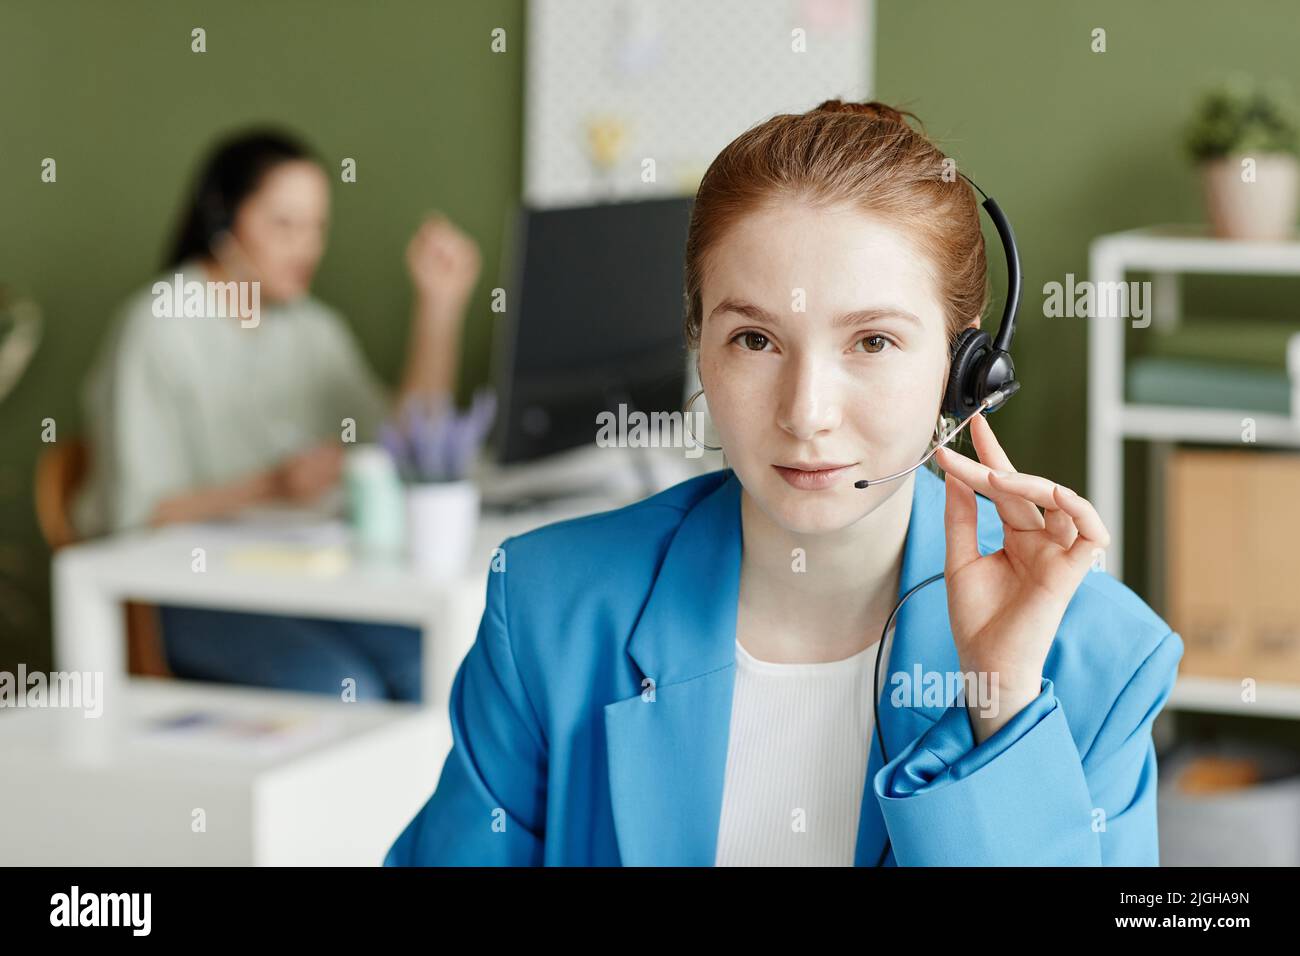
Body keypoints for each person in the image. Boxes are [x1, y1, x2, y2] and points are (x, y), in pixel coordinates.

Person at [384, 100, 1184, 865]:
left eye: (872, 340)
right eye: (756, 339)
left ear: (965, 370)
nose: (806, 414)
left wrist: (1000, 706)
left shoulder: (1096, 657)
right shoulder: (547, 612)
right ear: (698, 347)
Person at [74, 128, 482, 702]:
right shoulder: (157, 329)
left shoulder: (312, 328)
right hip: (192, 595)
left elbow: (409, 440)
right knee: (350, 690)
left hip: (303, 580)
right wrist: (269, 486)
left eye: (317, 227)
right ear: (223, 224)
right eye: (285, 225)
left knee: (433, 664)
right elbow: (136, 519)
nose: (308, 249)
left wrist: (439, 308)